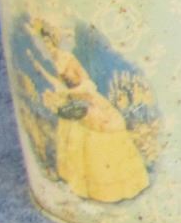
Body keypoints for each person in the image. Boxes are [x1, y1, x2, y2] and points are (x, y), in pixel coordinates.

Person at [37, 26, 149, 202]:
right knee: (74, 138)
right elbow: (55, 82)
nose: (47, 47)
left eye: (48, 42)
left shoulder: (67, 58)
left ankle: (109, 188)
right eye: (43, 44)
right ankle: (79, 184)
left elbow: (88, 83)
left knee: (103, 132)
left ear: (53, 41)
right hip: (72, 102)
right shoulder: (50, 62)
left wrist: (68, 94)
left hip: (87, 99)